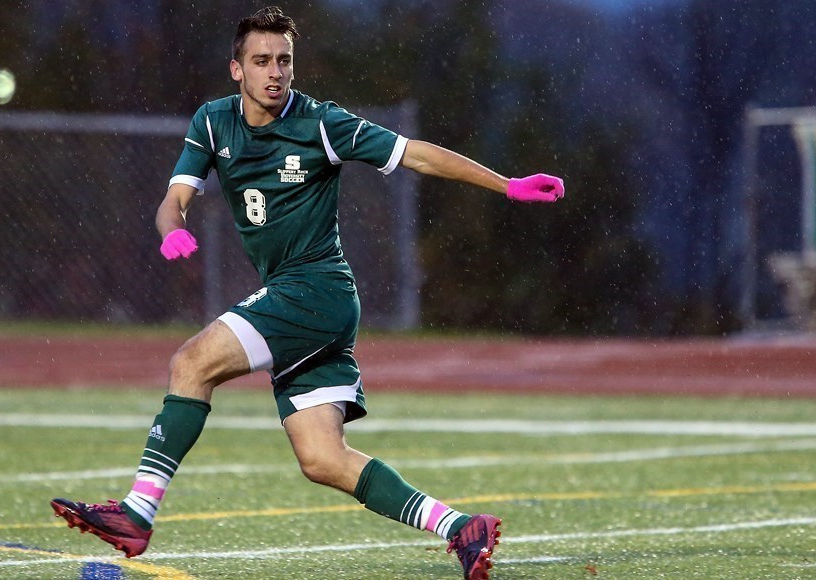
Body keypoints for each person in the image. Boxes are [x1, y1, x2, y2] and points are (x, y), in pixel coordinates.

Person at [51, 6, 564, 579]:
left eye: (284, 61)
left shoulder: (321, 122)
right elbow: (175, 197)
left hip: (314, 290)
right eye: (261, 61)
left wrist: (507, 184)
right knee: (322, 459)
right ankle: (460, 527)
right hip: (306, 302)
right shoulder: (213, 122)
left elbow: (415, 153)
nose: (275, 72)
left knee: (190, 362)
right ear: (236, 69)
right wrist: (172, 230)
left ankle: (137, 513)